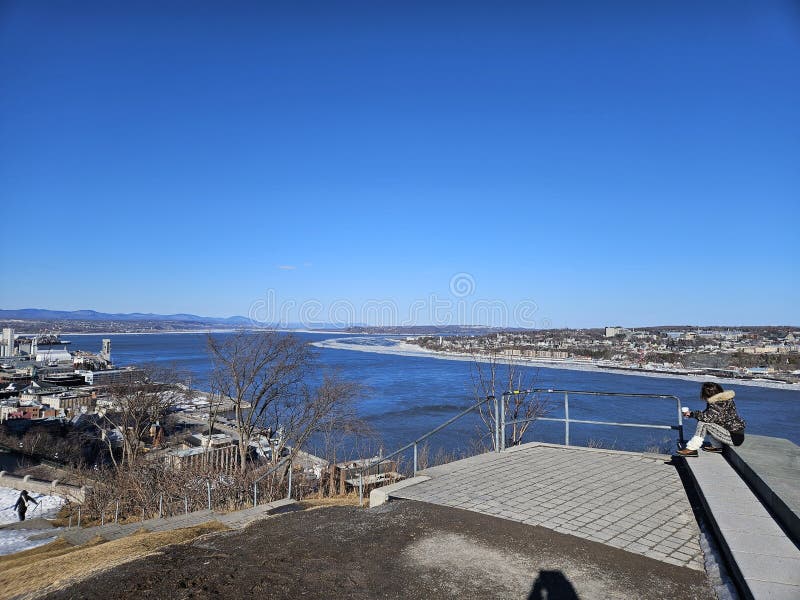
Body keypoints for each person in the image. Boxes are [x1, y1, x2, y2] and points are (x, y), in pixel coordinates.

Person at [677, 382, 746, 457]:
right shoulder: (723, 399)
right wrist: (693, 414)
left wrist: (693, 414)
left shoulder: (718, 403)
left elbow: (707, 418)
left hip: (733, 437)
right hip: (734, 434)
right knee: (705, 422)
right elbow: (711, 416)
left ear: (707, 393)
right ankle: (717, 446)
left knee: (703, 424)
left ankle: (691, 449)